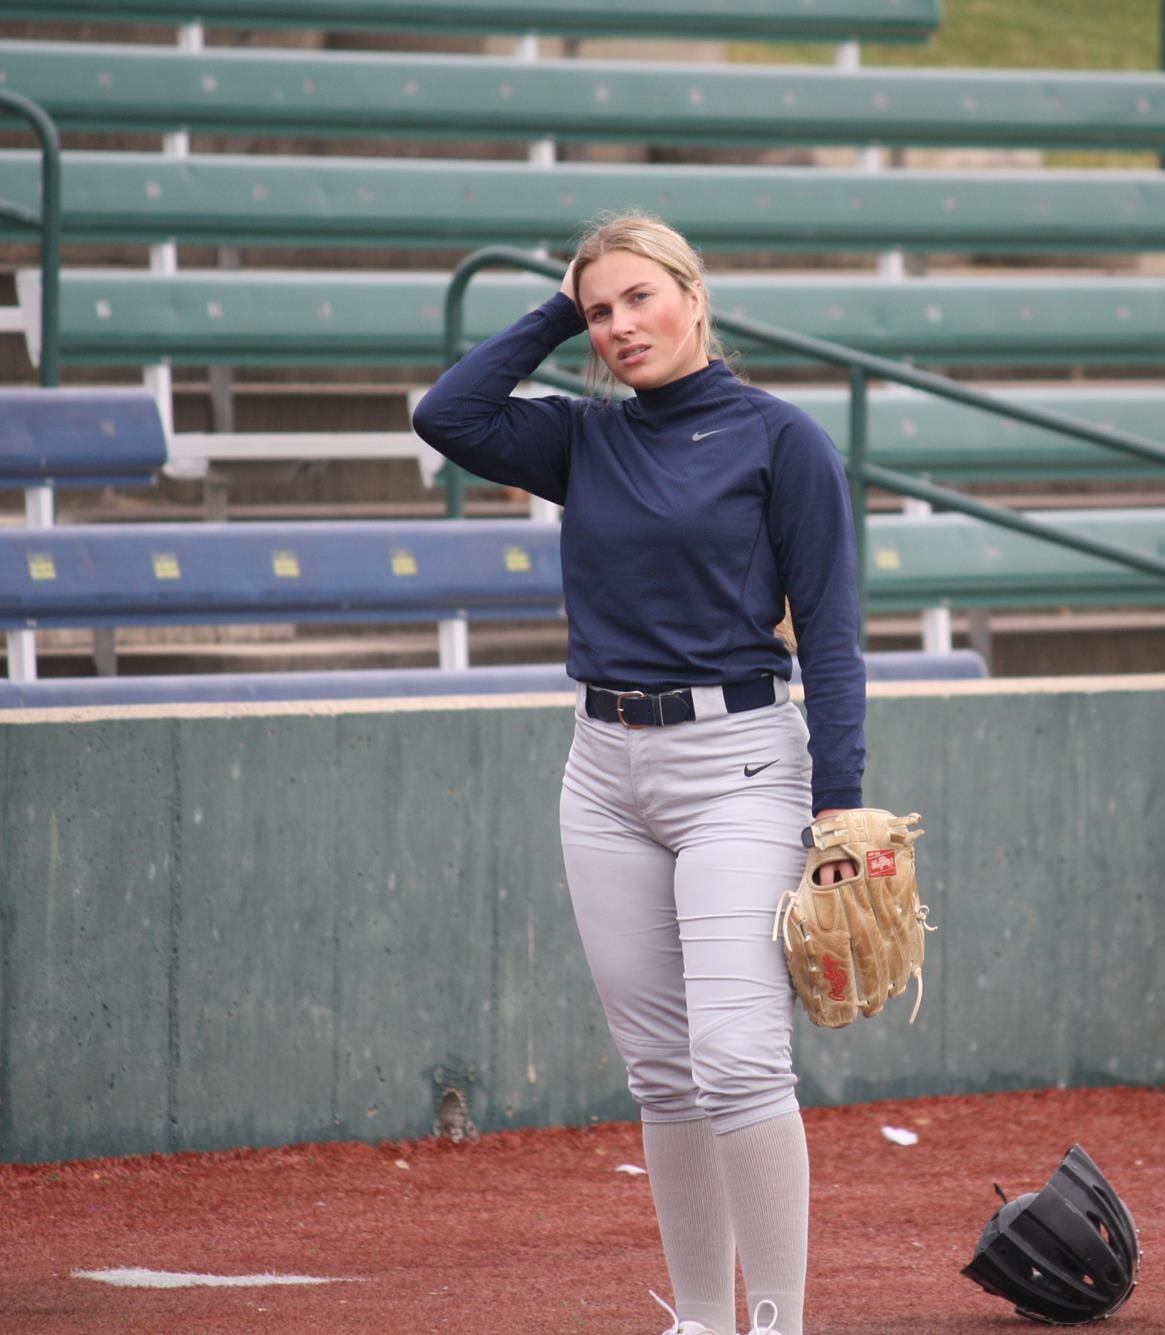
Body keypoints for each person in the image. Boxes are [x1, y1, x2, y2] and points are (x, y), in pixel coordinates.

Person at [413, 213, 866, 1335]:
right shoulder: (582, 438)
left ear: (693, 295)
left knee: (736, 1060)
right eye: (599, 312)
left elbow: (834, 632)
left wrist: (840, 802)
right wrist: (560, 303)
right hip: (604, 770)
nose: (619, 326)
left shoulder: (779, 439)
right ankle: (702, 1321)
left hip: (742, 764)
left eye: (639, 299)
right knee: (663, 1075)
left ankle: (776, 1323)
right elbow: (447, 414)